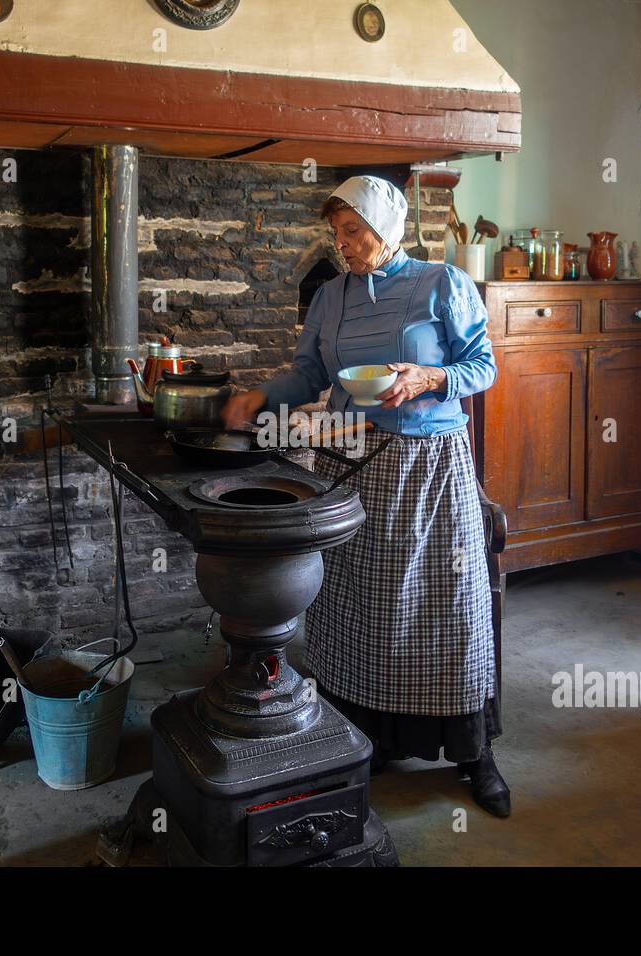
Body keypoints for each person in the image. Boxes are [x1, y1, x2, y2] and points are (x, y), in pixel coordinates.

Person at [222, 175, 509, 817]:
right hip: (349, 457)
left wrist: (431, 375)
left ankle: (473, 754)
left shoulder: (442, 285)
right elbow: (309, 374)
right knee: (360, 606)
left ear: (385, 227)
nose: (343, 245)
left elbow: (483, 366)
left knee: (448, 605)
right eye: (337, 234)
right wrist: (262, 397)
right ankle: (371, 739)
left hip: (430, 463)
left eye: (352, 232)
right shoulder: (330, 296)